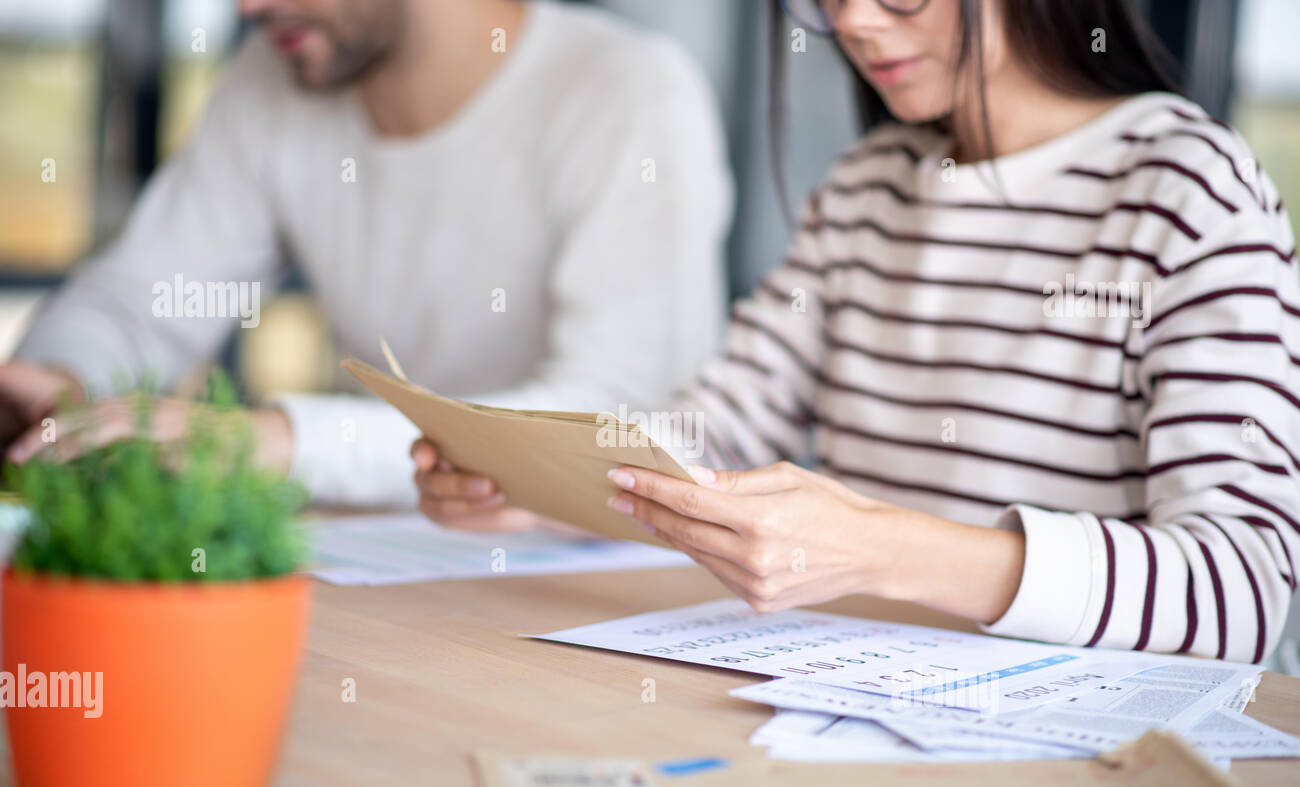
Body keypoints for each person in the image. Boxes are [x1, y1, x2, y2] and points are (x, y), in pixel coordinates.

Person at [413, 0, 1300, 663]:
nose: (854, 23)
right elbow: (719, 431)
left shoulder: (1190, 192)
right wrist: (541, 487)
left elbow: (1241, 590)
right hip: (846, 692)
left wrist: (882, 549)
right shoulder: (866, 187)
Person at [4, 0, 732, 508]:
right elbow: (142, 301)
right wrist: (66, 380)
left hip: (591, 591)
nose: (250, 6)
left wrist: (280, 441)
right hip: (380, 561)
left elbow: (623, 421)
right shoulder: (275, 77)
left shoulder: (627, 89)